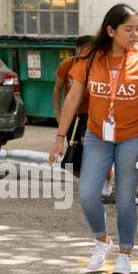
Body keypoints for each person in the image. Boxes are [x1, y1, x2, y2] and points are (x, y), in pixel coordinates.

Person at [48, 5, 138, 274]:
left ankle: (125, 252)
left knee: (125, 198)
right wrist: (60, 137)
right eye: (129, 29)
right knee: (87, 193)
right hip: (98, 135)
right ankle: (102, 241)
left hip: (134, 136)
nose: (136, 33)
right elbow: (73, 98)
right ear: (111, 31)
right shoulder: (89, 58)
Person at [53, 35, 94, 174]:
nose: (85, 52)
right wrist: (58, 113)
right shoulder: (67, 64)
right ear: (77, 49)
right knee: (74, 146)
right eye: (83, 49)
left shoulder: (94, 64)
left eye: (89, 49)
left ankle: (96, 176)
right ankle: (82, 174)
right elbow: (57, 88)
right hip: (73, 114)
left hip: (90, 113)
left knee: (90, 145)